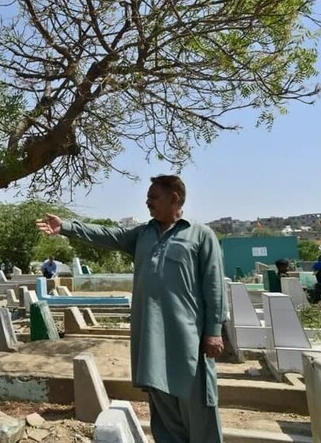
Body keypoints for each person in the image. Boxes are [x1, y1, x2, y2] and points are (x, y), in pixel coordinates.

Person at [36, 175, 226, 443]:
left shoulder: (200, 235)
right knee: (163, 408)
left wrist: (214, 331)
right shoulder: (143, 234)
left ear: (174, 198)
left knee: (199, 407)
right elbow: (106, 235)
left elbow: (214, 286)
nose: (147, 202)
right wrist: (65, 226)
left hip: (188, 338)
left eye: (153, 197)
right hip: (151, 338)